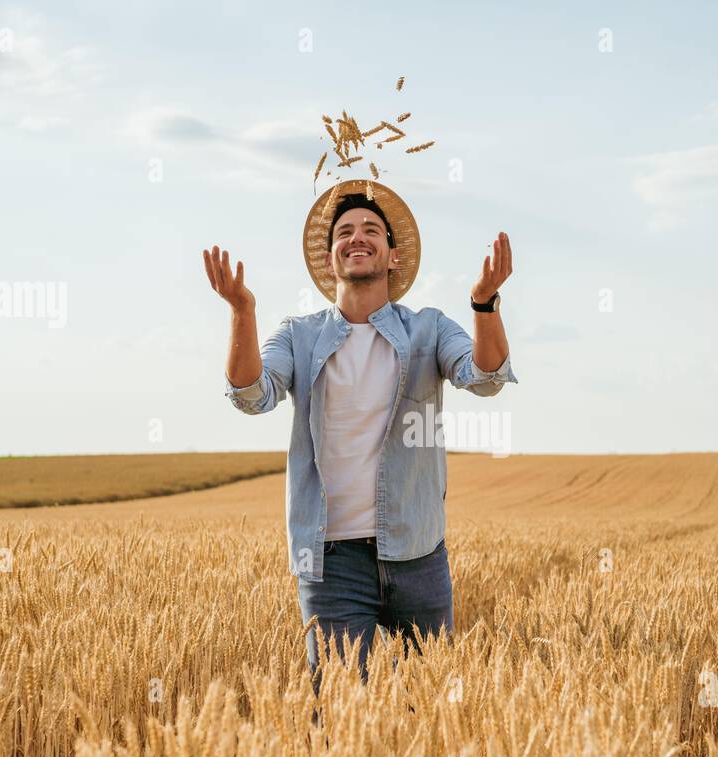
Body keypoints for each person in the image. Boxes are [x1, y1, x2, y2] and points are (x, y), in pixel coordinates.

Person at [203, 179, 517, 699]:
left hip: (418, 553)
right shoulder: (298, 336)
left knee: (432, 711)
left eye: (371, 230)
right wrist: (242, 312)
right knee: (340, 715)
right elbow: (252, 395)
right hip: (331, 562)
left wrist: (484, 304)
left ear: (393, 256)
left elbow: (484, 377)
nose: (358, 237)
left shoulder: (429, 330)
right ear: (330, 259)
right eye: (345, 231)